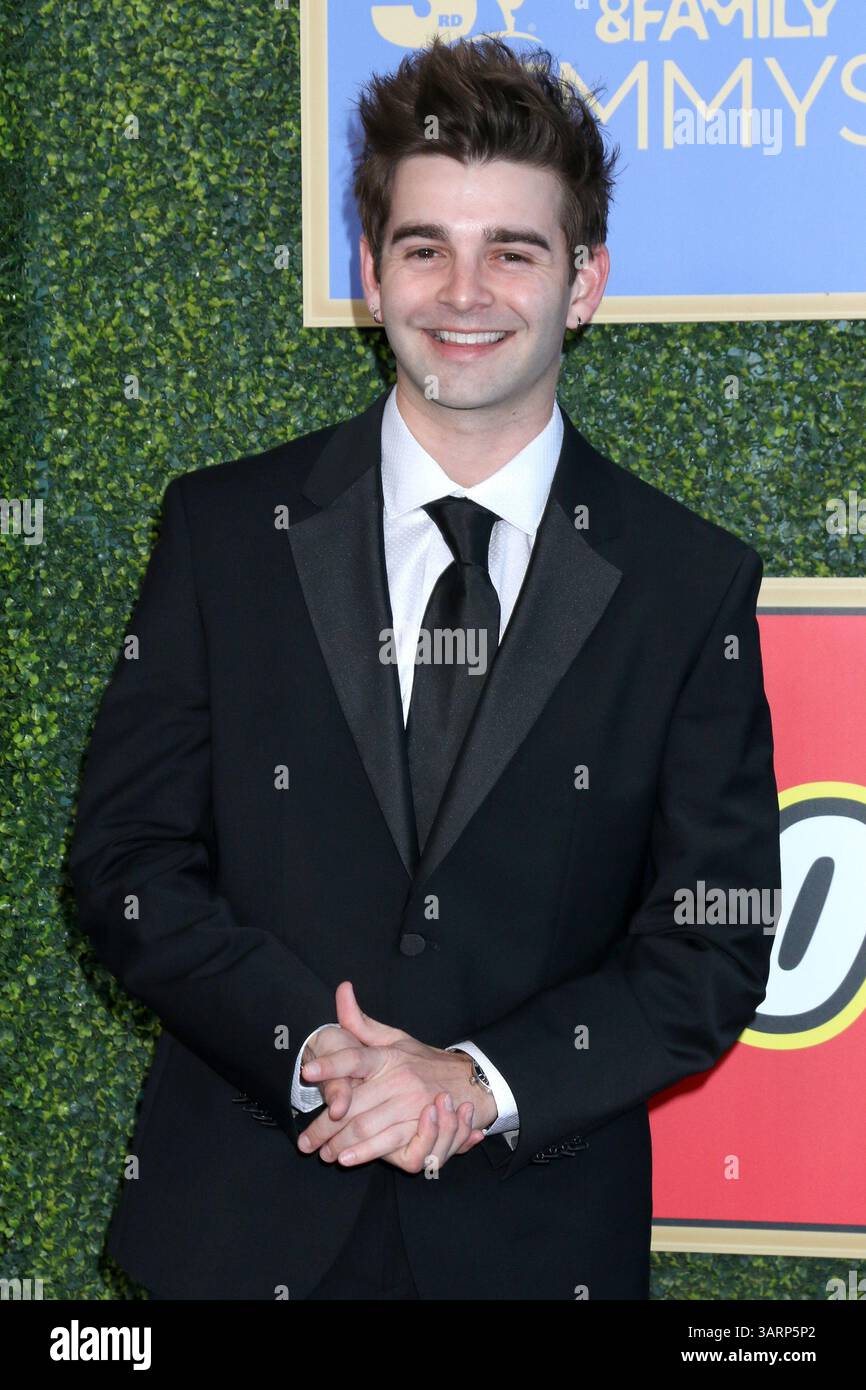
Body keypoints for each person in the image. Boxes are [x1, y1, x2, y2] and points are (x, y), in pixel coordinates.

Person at [69, 35, 781, 1301]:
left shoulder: (686, 585)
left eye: (513, 249)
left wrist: (473, 1082)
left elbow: (709, 946)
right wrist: (317, 1052)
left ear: (584, 281)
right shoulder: (225, 533)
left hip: (532, 1247)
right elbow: (126, 861)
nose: (465, 291)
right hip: (237, 1236)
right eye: (424, 247)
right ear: (369, 269)